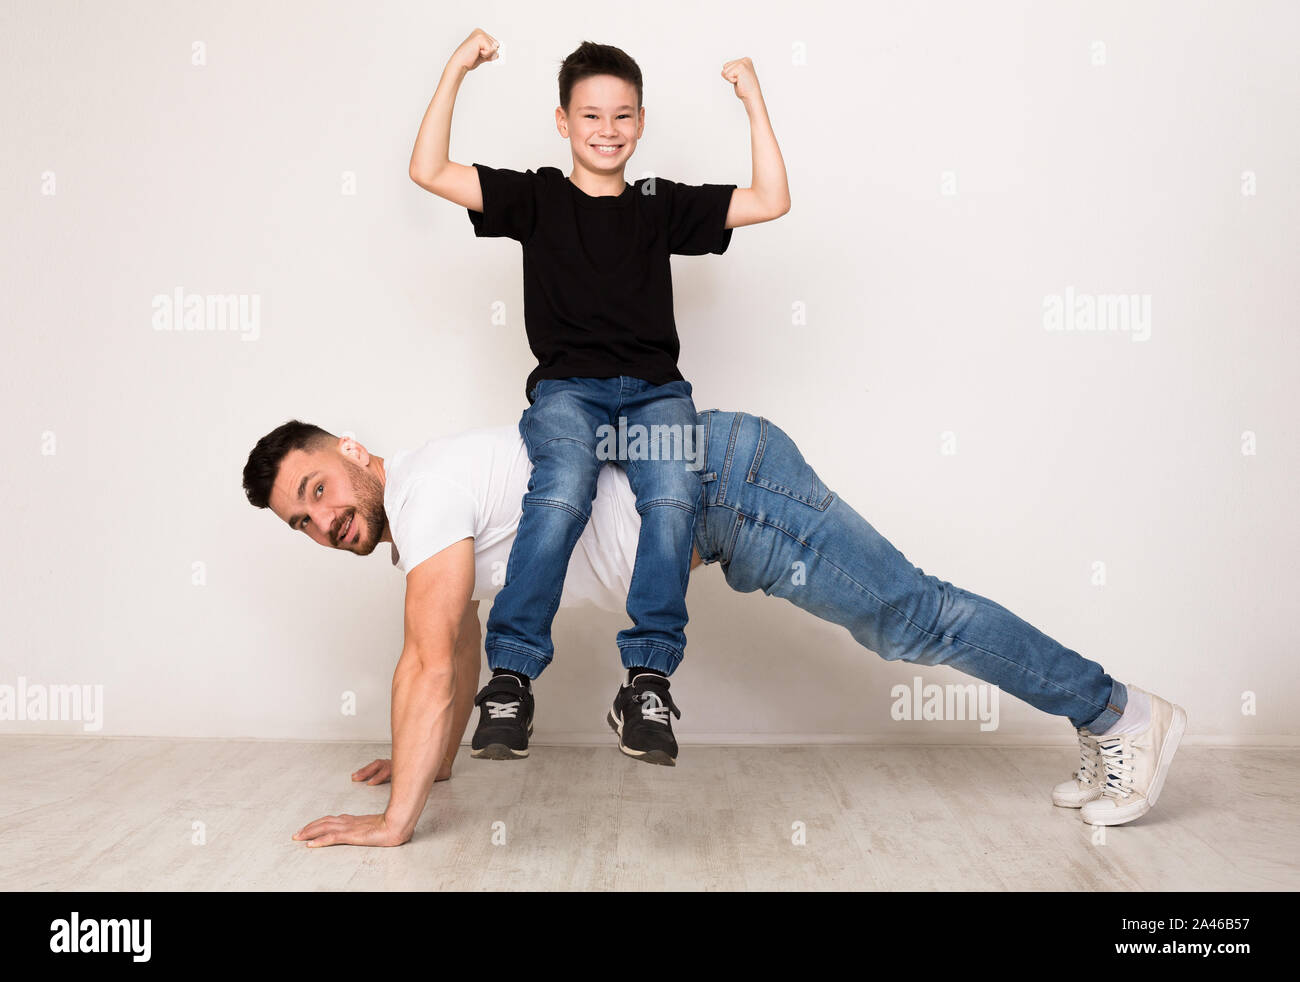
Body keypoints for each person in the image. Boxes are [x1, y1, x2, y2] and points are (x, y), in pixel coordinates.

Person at [241, 409, 1187, 848]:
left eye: (318, 489)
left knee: (911, 619)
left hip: (726, 489)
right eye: (303, 523)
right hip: (719, 489)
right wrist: (431, 767)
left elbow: (425, 661)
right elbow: (450, 650)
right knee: (909, 621)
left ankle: (1120, 715)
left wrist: (396, 821)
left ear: (354, 453)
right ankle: (1105, 717)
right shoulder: (419, 525)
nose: (324, 523)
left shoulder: (423, 489)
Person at [406, 30, 791, 765]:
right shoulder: (536, 197)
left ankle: (646, 677)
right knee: (561, 488)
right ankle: (512, 678)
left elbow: (772, 199)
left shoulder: (659, 204)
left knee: (676, 495)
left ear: (640, 124)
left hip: (654, 396)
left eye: (621, 116)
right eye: (590, 115)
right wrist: (456, 66)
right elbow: (427, 169)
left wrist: (753, 99)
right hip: (569, 393)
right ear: (562, 122)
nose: (606, 130)